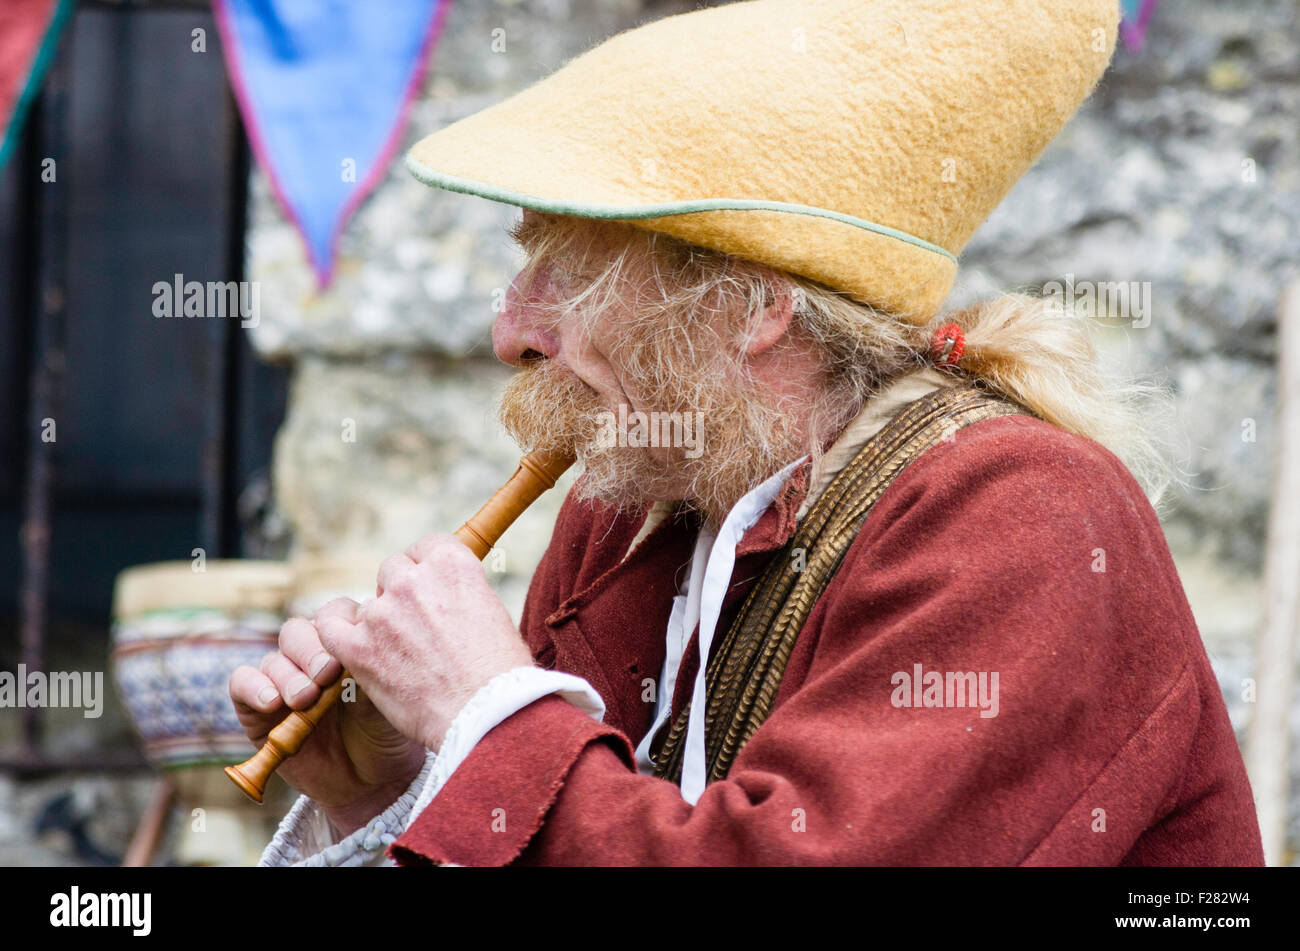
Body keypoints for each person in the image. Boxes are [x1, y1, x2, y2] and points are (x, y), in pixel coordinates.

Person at [232, 0, 1264, 866]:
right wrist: (398, 789)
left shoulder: (1022, 514)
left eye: (567, 271)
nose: (511, 331)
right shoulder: (625, 516)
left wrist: (491, 717)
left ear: (750, 306)